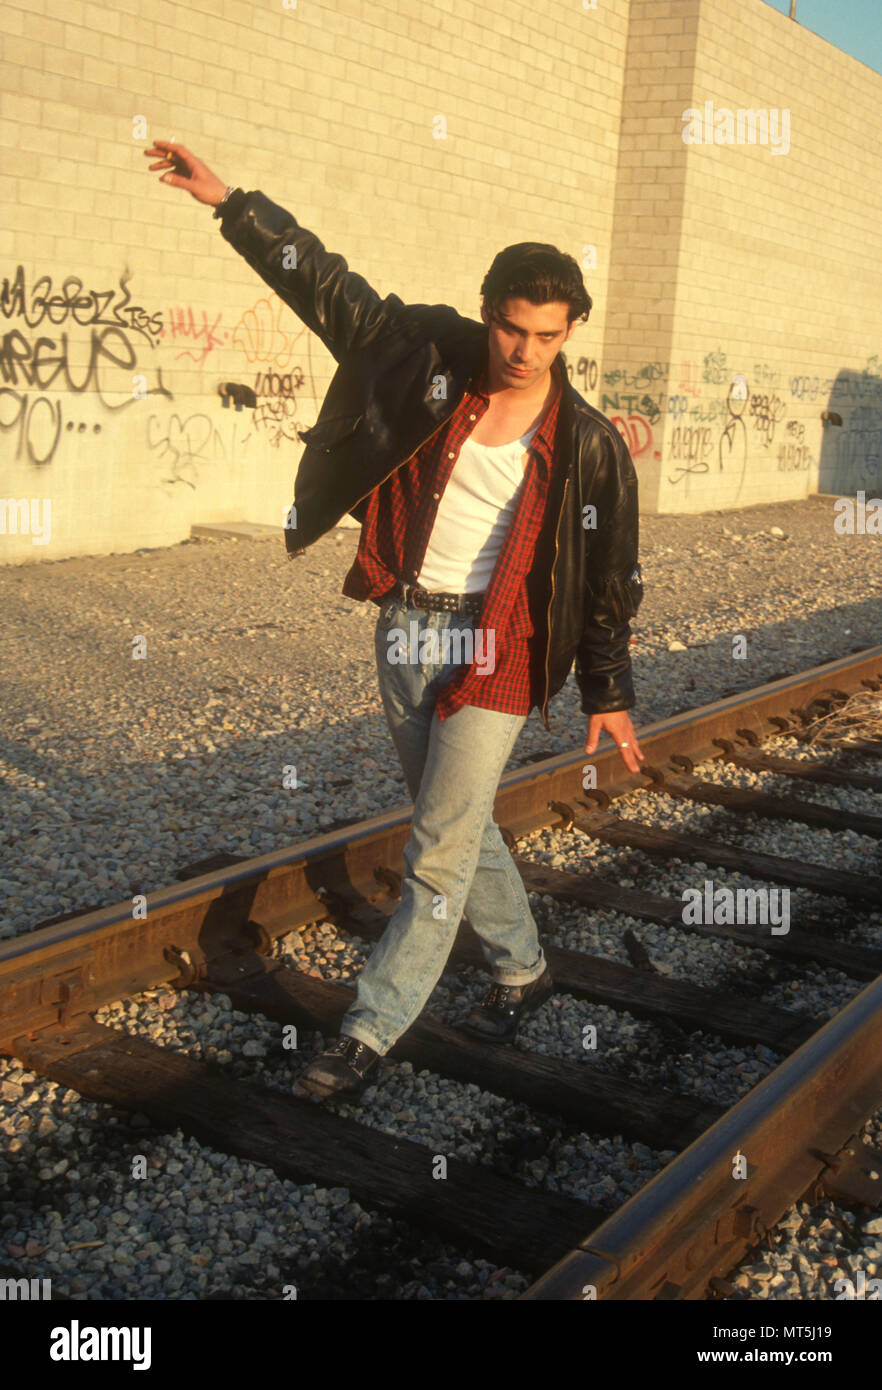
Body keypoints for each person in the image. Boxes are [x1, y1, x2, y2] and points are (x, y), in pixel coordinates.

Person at [147, 141, 645, 1102]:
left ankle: (369, 1030)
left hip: (500, 648)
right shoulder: (426, 352)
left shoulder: (589, 444)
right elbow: (326, 287)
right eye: (510, 328)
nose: (523, 351)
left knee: (435, 849)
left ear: (571, 329)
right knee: (449, 825)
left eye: (546, 336)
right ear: (488, 310)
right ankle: (525, 967)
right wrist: (231, 203)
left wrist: (609, 690)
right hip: (407, 628)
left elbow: (608, 575)